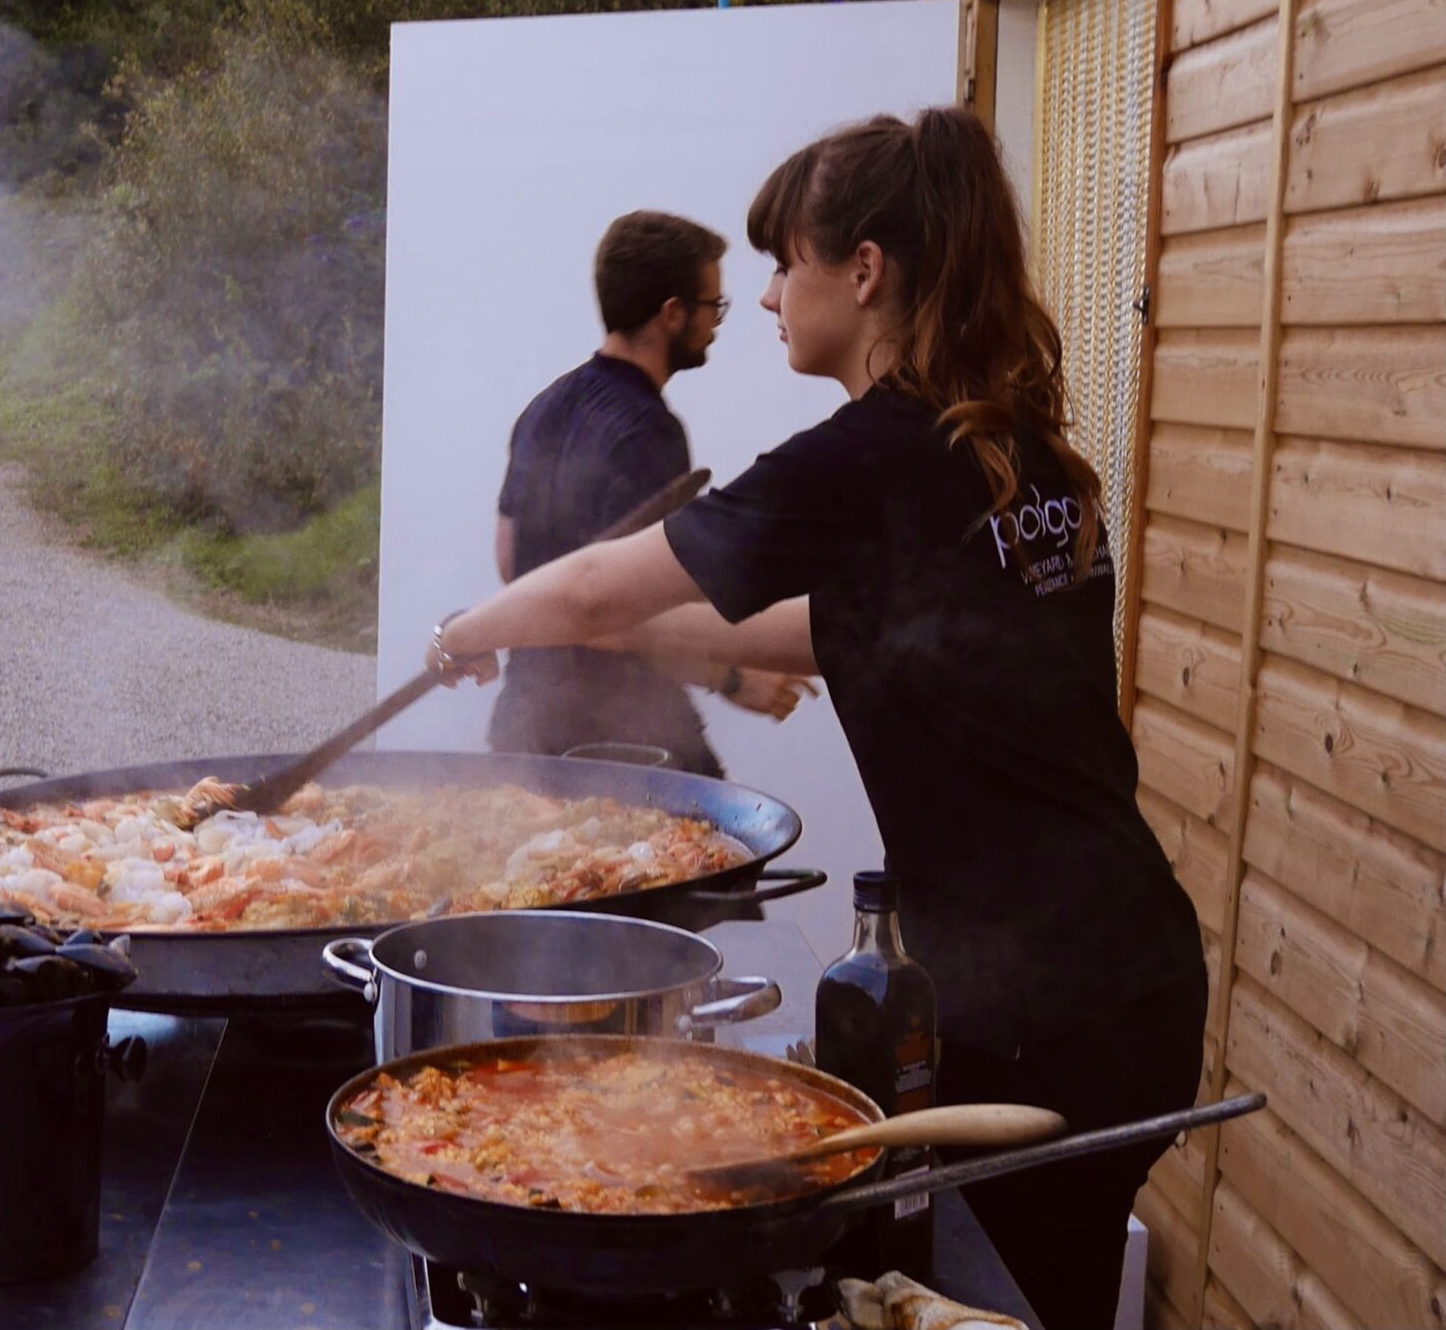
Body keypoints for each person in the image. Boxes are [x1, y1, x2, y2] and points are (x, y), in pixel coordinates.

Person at [428, 110, 1206, 1330]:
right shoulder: (1011, 446)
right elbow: (829, 630)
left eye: (786, 262)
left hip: (1038, 1013)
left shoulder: (870, 454)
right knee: (1015, 1294)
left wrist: (467, 631)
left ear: (864, 269)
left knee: (992, 1304)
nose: (772, 296)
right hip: (1130, 973)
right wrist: (613, 634)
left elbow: (594, 574)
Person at [490, 209, 816, 772]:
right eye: (713, 306)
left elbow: (509, 562)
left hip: (523, 727)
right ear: (672, 314)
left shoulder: (543, 409)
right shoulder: (648, 433)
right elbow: (622, 611)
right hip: (618, 741)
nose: (717, 321)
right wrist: (734, 677)